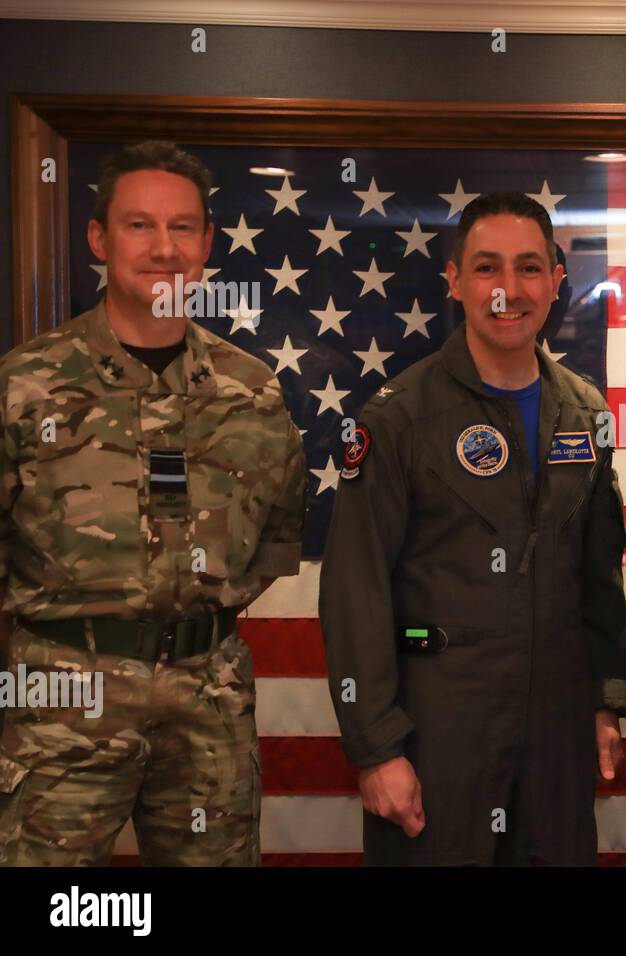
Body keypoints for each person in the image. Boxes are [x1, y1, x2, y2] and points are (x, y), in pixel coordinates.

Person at [0, 141, 305, 866]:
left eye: (182, 228)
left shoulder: (252, 391)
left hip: (210, 703)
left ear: (205, 244)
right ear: (100, 238)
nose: (163, 248)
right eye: (139, 226)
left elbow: (273, 539)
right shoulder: (25, 387)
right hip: (62, 701)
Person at [319, 191, 626, 866]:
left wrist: (605, 703)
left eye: (529, 268)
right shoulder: (397, 418)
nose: (509, 290)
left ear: (556, 280)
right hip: (441, 729)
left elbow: (599, 573)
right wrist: (376, 751)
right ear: (455, 281)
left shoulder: (583, 411)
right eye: (488, 268)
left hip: (556, 731)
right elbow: (356, 592)